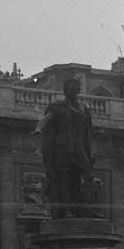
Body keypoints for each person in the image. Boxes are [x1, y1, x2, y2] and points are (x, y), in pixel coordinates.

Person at [36, 77, 96, 218]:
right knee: (65, 180)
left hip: (80, 151)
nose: (73, 90)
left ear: (78, 90)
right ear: (65, 91)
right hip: (63, 150)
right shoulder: (57, 107)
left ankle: (84, 209)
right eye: (70, 88)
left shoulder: (84, 110)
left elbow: (88, 133)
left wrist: (91, 152)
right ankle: (65, 210)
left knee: (84, 179)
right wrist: (39, 128)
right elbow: (46, 119)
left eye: (76, 87)